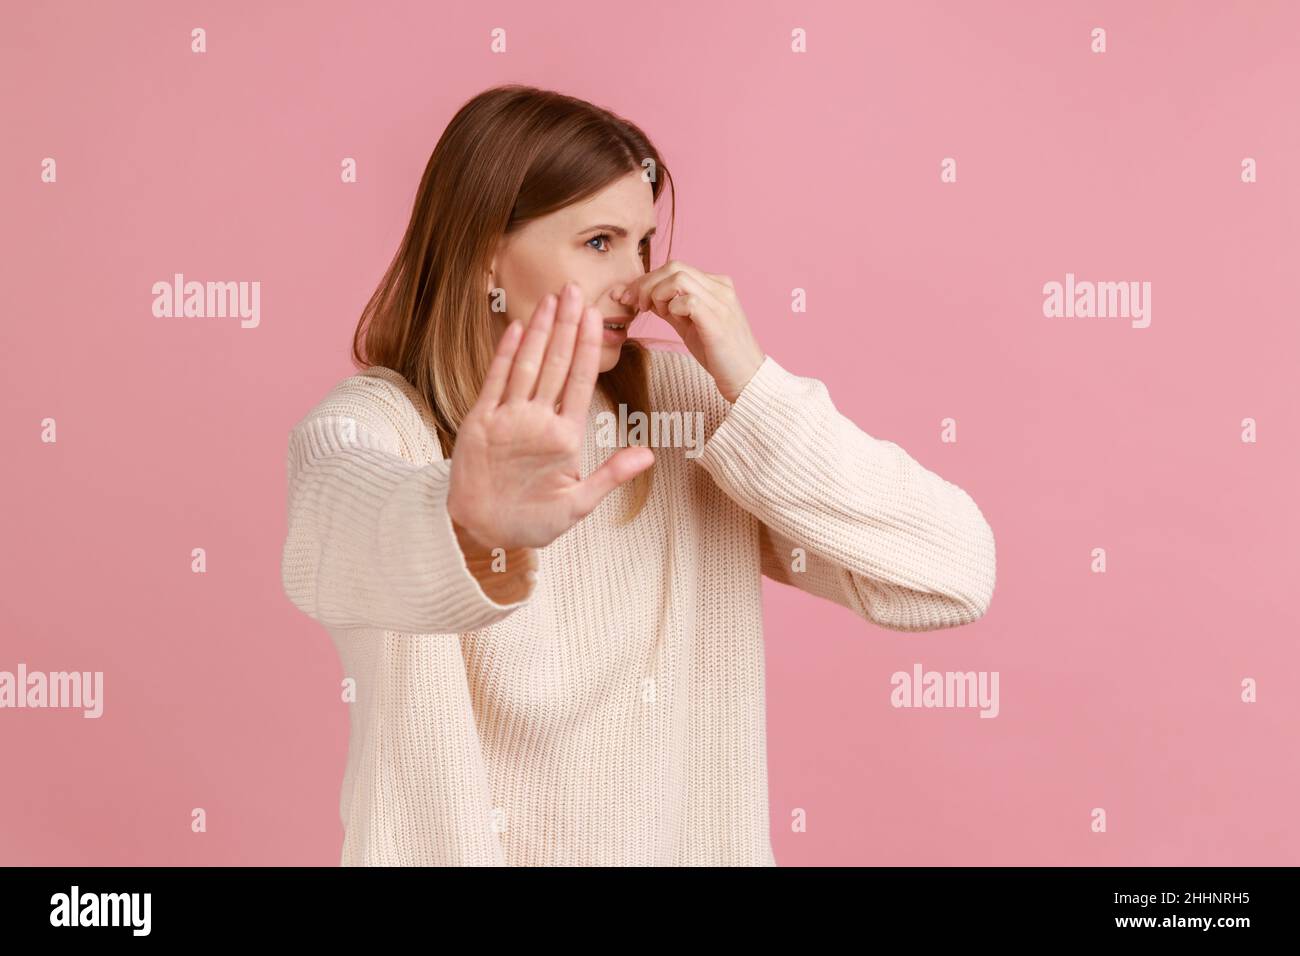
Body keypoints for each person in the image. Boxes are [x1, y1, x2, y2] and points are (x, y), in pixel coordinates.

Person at [280, 83, 997, 866]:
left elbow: (952, 571)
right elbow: (335, 534)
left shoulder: (682, 415)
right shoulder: (380, 425)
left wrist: (756, 387)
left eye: (643, 244)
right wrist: (464, 519)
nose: (637, 282)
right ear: (487, 249)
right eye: (598, 242)